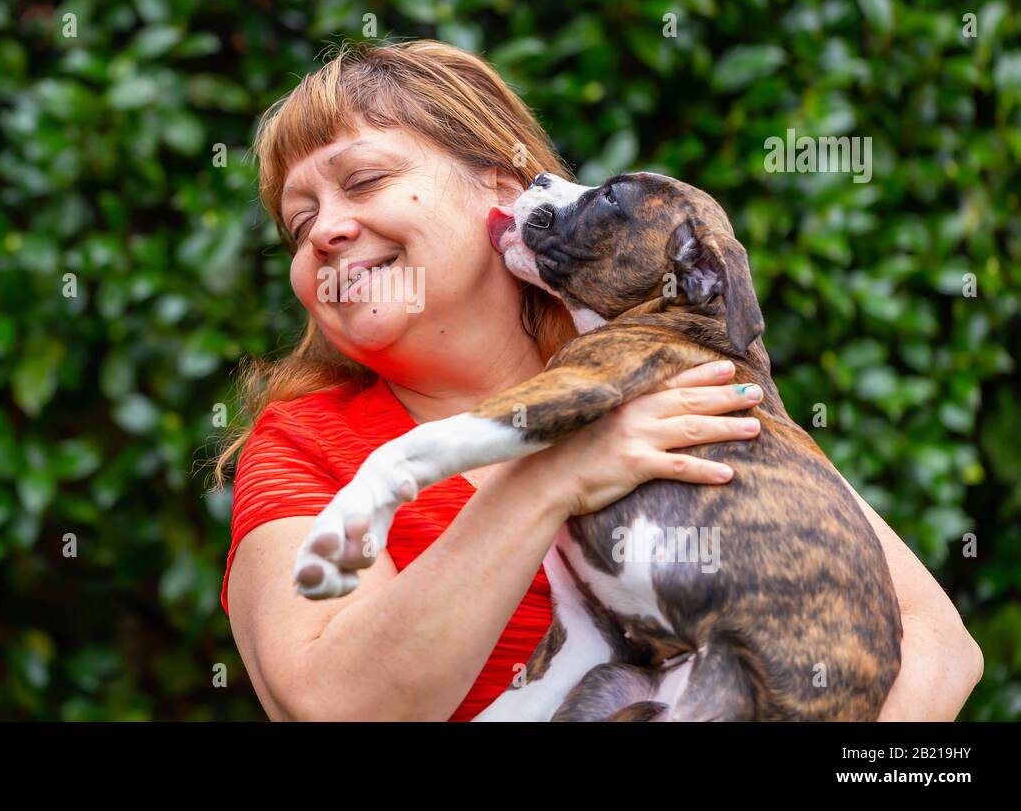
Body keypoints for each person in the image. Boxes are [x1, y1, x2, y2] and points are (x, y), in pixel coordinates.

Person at [213, 39, 983, 721]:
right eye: (299, 221)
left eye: (364, 180)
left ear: (502, 189)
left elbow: (939, 645)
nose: (326, 231)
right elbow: (336, 706)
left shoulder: (662, 369)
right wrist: (554, 477)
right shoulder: (305, 447)